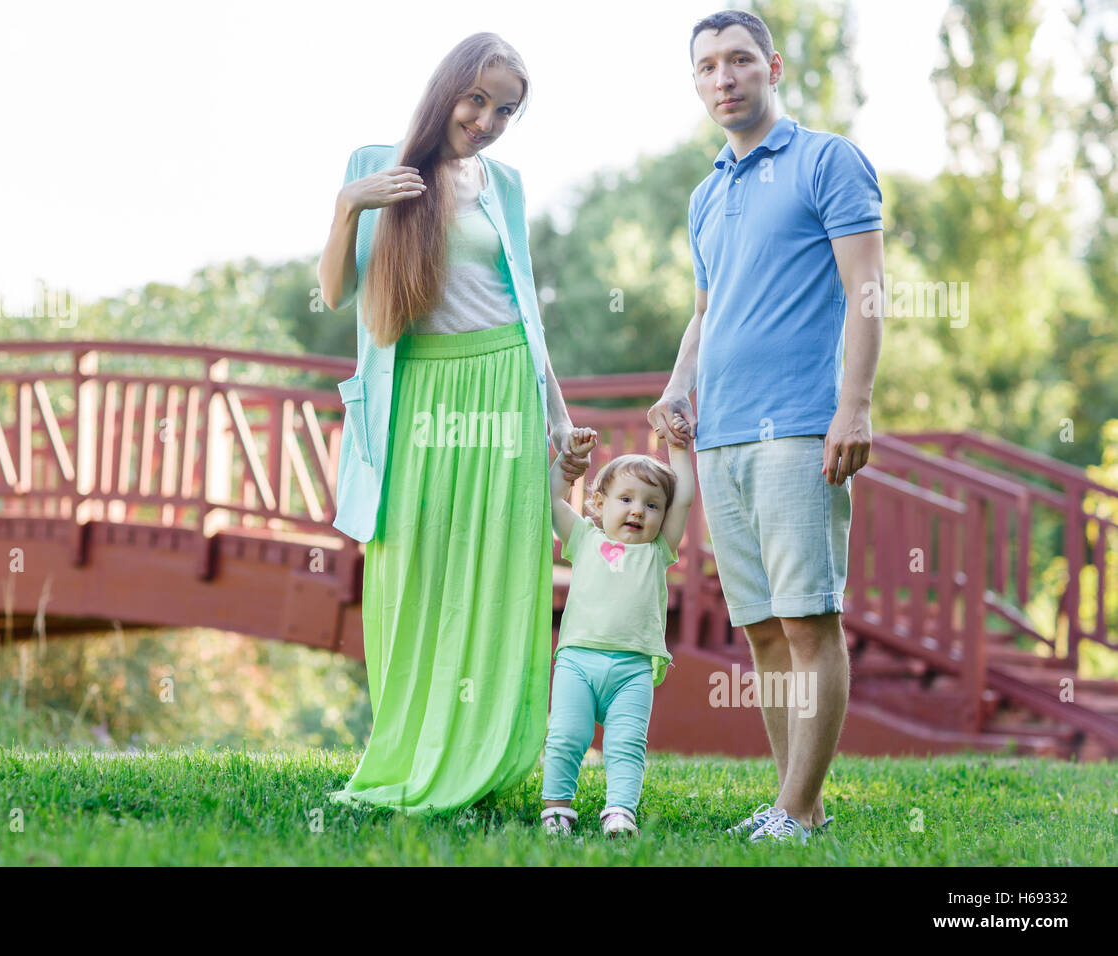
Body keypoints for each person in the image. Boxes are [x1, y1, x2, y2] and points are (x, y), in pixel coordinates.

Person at [317, 32, 586, 814]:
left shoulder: (505, 184)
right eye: (478, 100)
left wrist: (558, 421)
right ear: (448, 91)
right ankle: (410, 749)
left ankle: (484, 756)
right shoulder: (375, 161)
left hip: (502, 382)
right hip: (417, 393)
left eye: (506, 109)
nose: (488, 119)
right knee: (413, 566)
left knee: (497, 564)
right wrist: (347, 208)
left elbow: (527, 311)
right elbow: (334, 292)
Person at [647, 9, 884, 843]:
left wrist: (852, 407)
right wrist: (679, 386)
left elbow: (868, 291)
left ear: (772, 66)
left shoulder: (828, 161)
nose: (725, 78)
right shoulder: (707, 193)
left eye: (740, 60)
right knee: (760, 632)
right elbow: (706, 311)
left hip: (798, 428)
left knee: (808, 619)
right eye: (708, 66)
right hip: (721, 439)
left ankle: (793, 810)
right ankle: (800, 808)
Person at [540, 421, 695, 837]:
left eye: (651, 505)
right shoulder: (583, 539)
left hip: (633, 670)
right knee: (566, 737)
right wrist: (567, 458)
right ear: (599, 503)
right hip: (578, 662)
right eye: (626, 499)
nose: (637, 511)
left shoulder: (658, 551)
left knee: (626, 747)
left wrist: (679, 448)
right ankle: (556, 810)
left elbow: (684, 501)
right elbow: (549, 497)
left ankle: (620, 812)